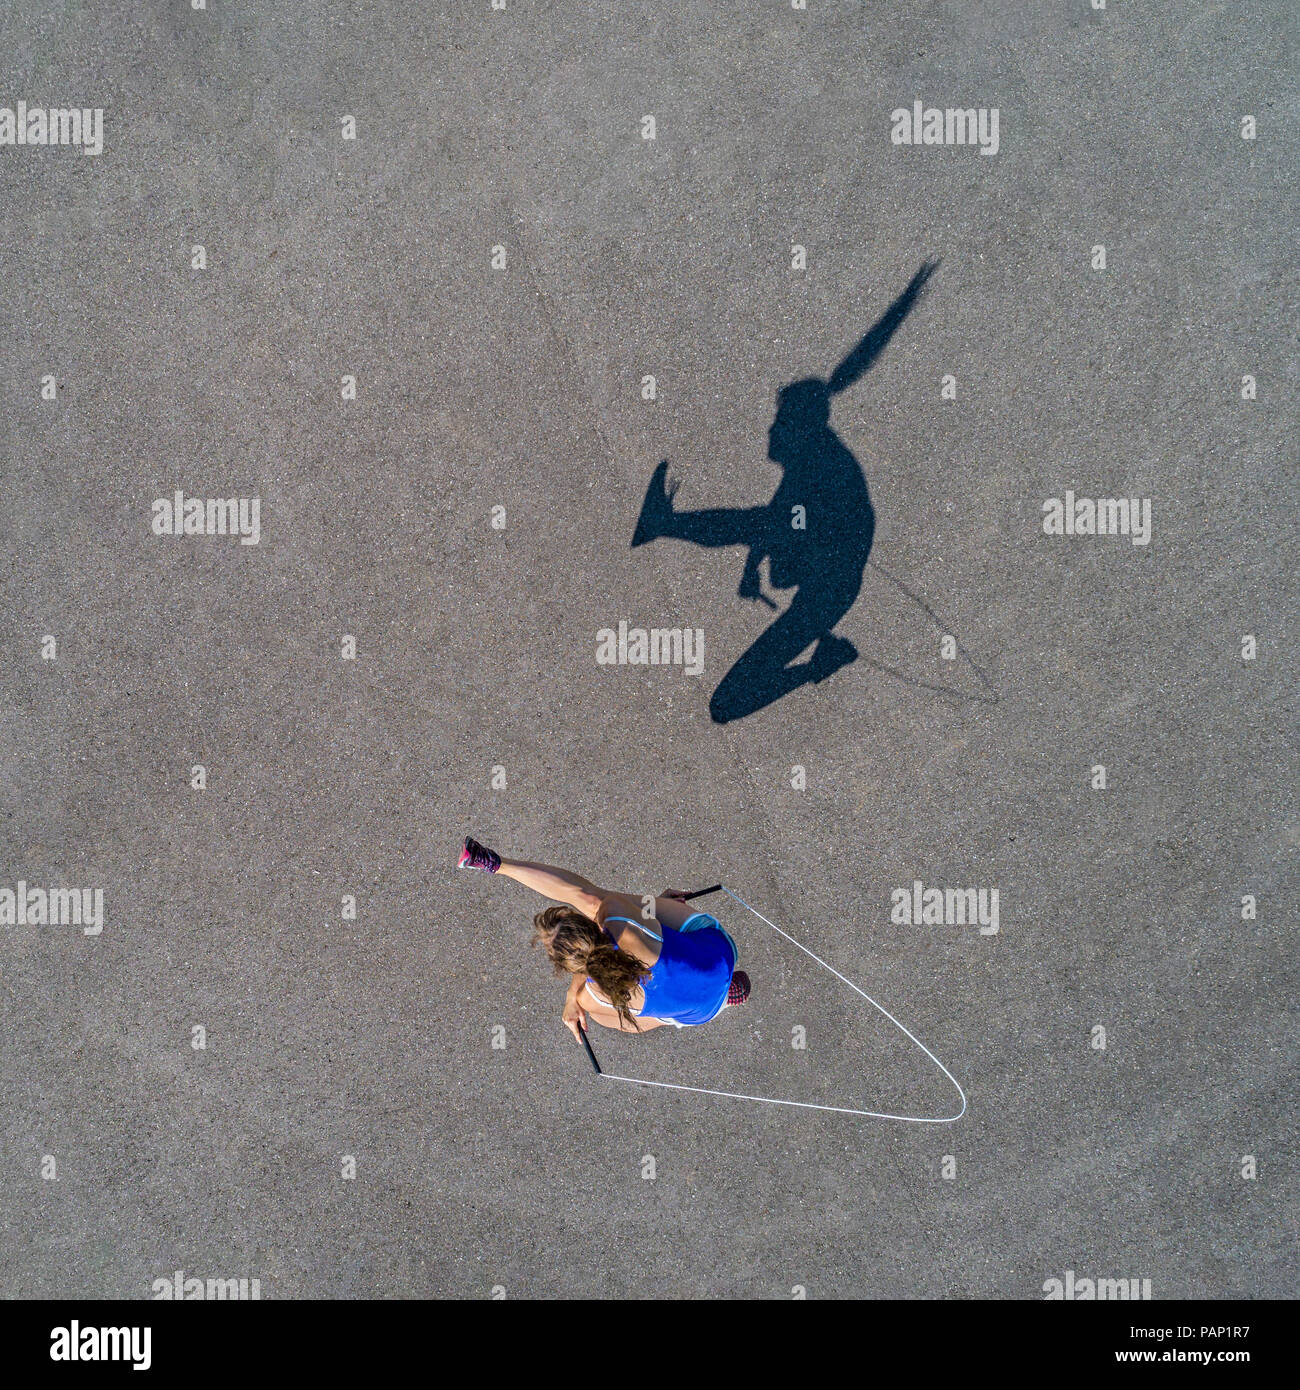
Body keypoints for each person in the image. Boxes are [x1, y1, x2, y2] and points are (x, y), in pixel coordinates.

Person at [457, 837, 750, 1038]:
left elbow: (591, 976)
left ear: (573, 967)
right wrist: (656, 907)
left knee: (596, 1011)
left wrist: (576, 1000)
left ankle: (722, 997)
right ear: (588, 925)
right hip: (718, 954)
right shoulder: (616, 918)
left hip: (701, 1009)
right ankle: (497, 863)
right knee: (594, 898)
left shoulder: (594, 993)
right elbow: (608, 902)